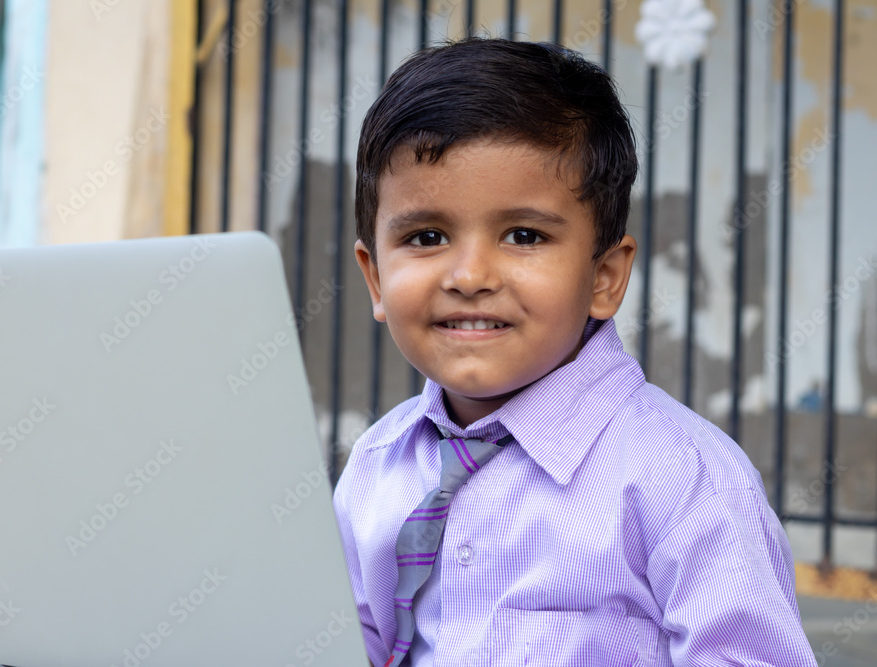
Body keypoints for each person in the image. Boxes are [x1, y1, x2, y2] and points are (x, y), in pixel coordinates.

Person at [333, 38, 816, 666]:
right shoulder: (375, 469)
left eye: (524, 235)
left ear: (604, 277)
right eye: (428, 236)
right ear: (374, 278)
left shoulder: (684, 481)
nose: (471, 274)